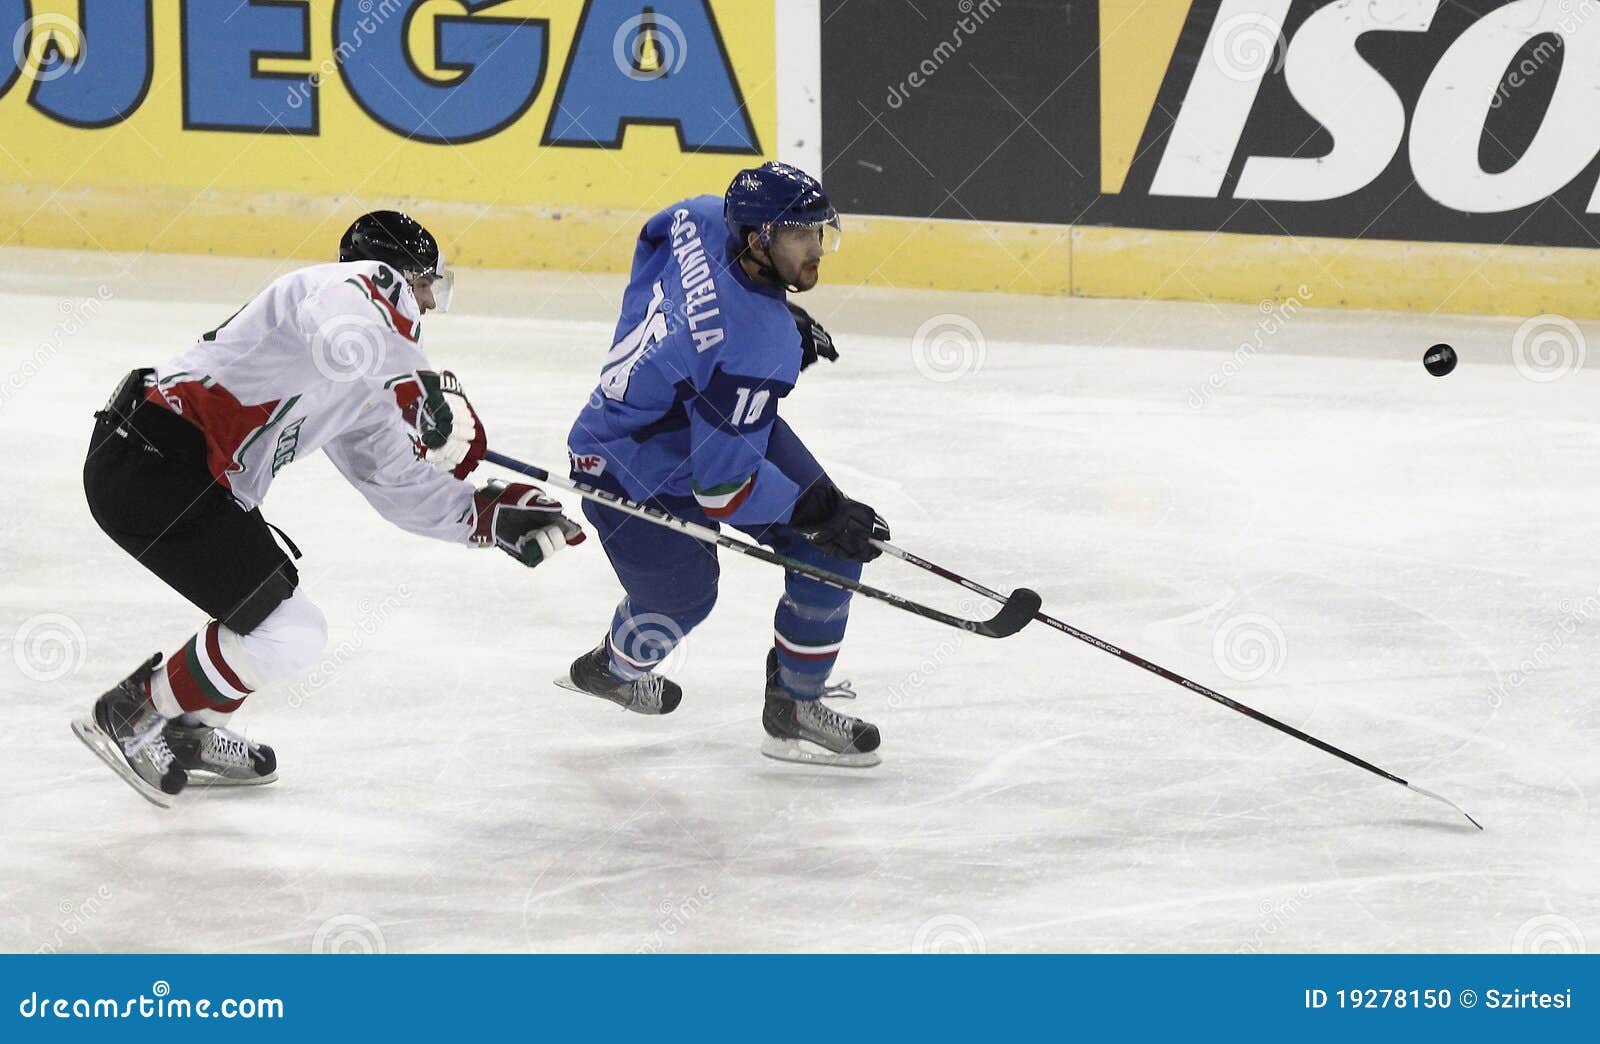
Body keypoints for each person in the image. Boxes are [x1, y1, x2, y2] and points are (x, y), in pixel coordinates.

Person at [75, 211, 584, 807]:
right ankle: (135, 710)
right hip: (153, 460)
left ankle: (189, 728)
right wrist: (416, 385)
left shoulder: (369, 379)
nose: (429, 303)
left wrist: (485, 514)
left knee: (280, 618)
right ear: (394, 274)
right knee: (286, 629)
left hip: (177, 477)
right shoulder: (339, 290)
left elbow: (394, 480)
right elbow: (355, 309)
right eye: (425, 284)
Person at [563, 162, 889, 767]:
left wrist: (729, 326)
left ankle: (794, 708)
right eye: (800, 235)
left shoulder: (704, 215)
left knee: (831, 549)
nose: (816, 248)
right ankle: (614, 668)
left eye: (819, 232)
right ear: (759, 239)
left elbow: (654, 239)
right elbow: (722, 490)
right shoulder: (754, 345)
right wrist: (811, 508)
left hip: (700, 415)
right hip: (627, 464)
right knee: (685, 597)